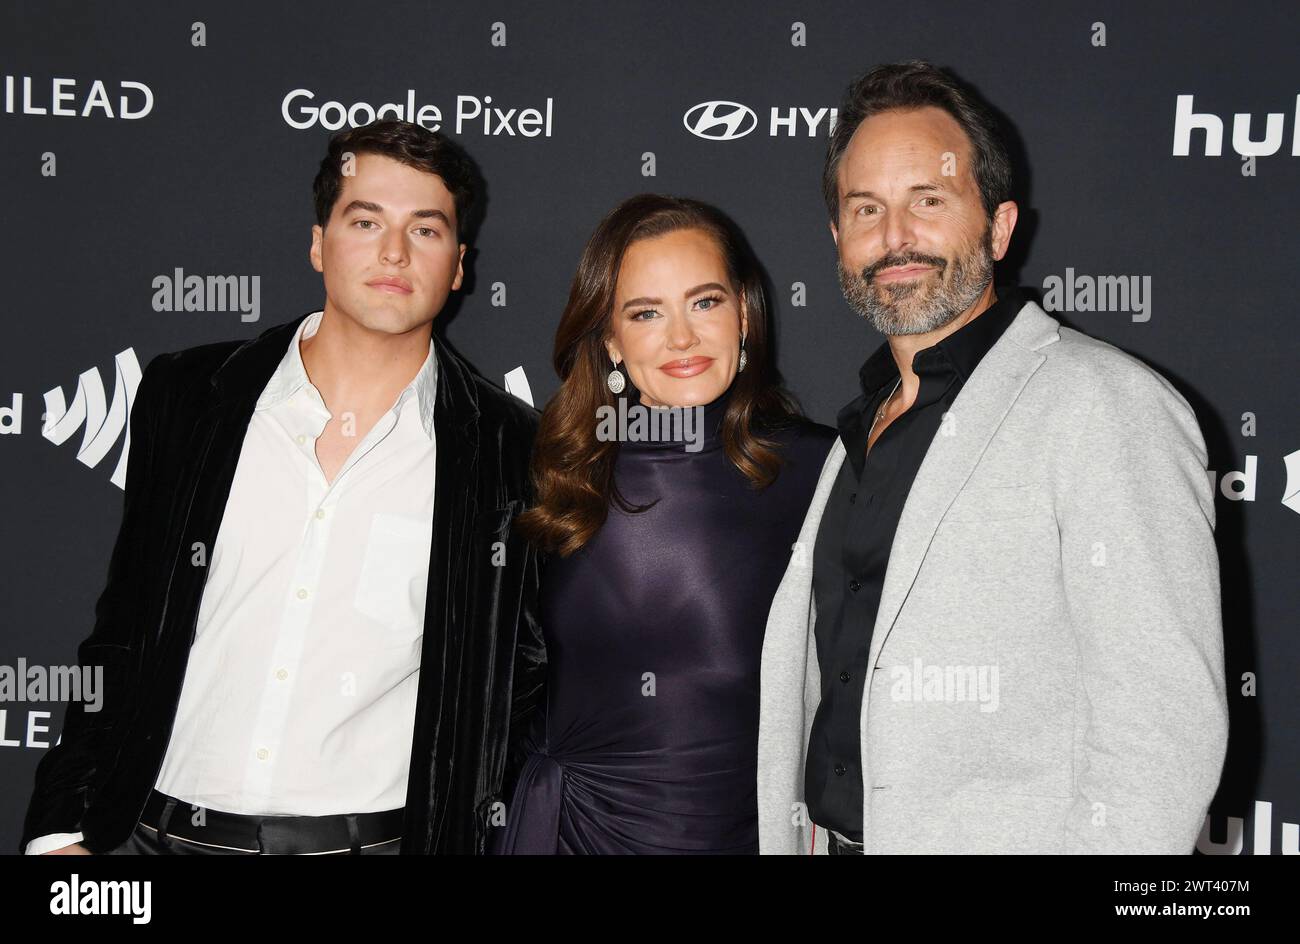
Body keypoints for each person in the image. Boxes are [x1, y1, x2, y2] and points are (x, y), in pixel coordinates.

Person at [21, 119, 545, 855]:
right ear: (318, 243)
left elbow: (518, 687)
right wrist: (57, 834)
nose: (394, 252)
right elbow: (126, 625)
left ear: (458, 265)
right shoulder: (190, 395)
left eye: (425, 231)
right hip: (142, 839)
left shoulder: (509, 449)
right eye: (365, 221)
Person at [757, 61, 1228, 854]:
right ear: (838, 240)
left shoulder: (1107, 407)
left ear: (1000, 227)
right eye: (866, 209)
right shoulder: (858, 430)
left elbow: (1162, 734)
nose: (894, 236)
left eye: (928, 201)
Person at [493, 194, 835, 854]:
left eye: (704, 302)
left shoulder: (823, 468)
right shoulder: (547, 473)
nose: (681, 337)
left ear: (744, 312)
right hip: (568, 834)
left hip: (744, 835)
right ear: (612, 339)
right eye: (647, 313)